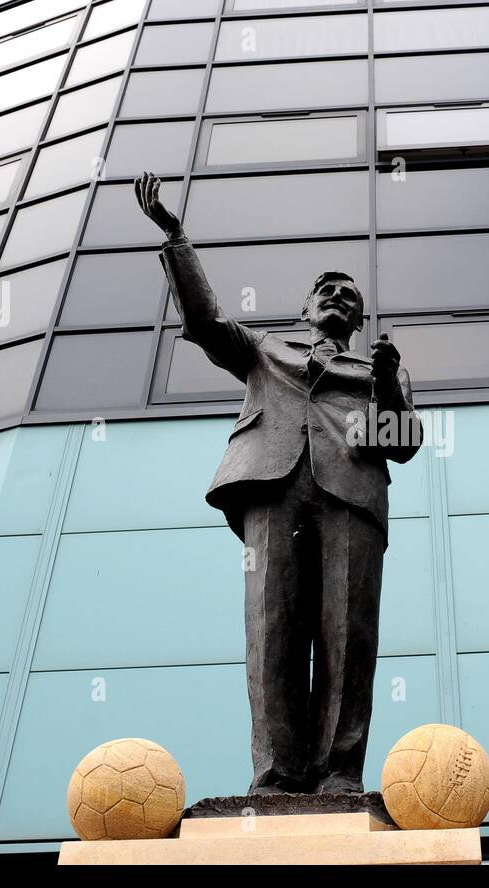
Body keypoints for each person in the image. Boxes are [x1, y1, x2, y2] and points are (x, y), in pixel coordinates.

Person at [134, 172, 423, 795]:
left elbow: (403, 444)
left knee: (349, 638)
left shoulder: (377, 369)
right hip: (272, 487)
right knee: (272, 632)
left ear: (360, 319)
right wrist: (176, 236)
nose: (340, 297)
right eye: (328, 289)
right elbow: (206, 322)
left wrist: (387, 383)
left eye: (351, 296)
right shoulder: (268, 350)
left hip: (351, 497)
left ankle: (339, 775)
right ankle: (275, 776)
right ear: (306, 306)